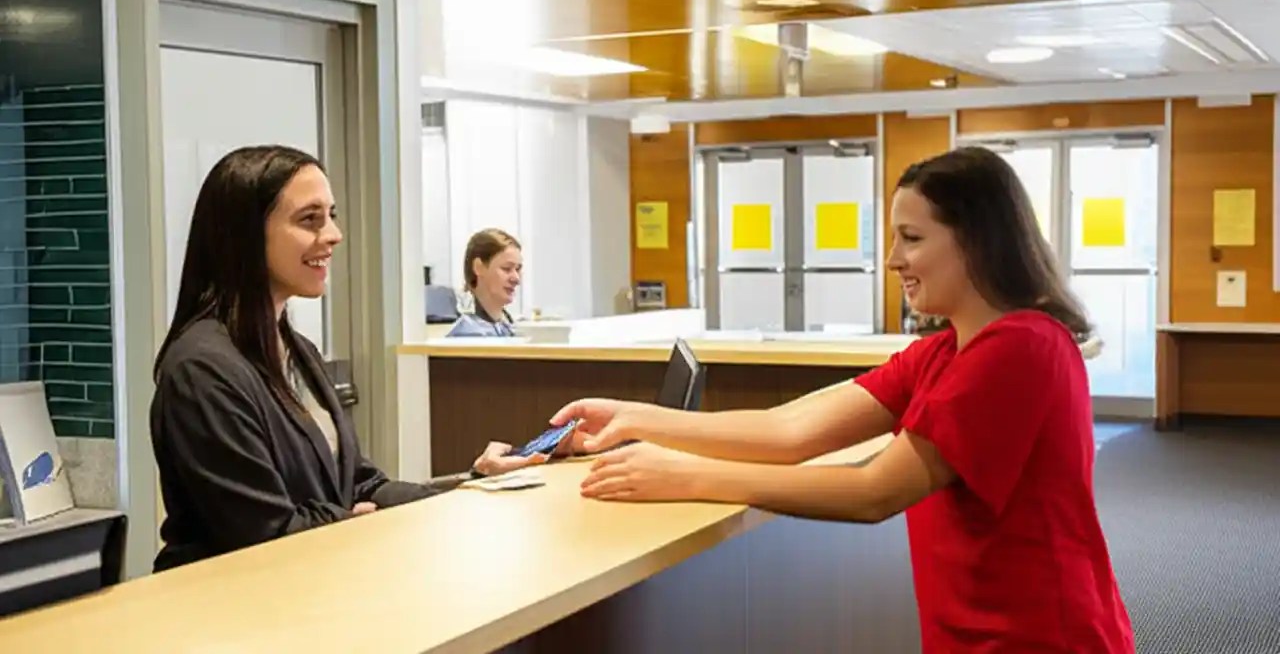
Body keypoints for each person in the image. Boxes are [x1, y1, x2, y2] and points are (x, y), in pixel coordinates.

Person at [549, 147, 1135, 652]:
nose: (892, 260)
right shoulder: (945, 351)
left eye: (912, 238)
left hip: (1043, 637)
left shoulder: (1021, 348)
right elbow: (789, 431)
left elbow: (874, 491)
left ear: (976, 243)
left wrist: (689, 475)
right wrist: (637, 418)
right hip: (974, 633)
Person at [150, 145, 551, 572]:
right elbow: (261, 534)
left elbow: (360, 484)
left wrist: (470, 490)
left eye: (331, 215)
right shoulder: (203, 370)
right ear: (246, 235)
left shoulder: (297, 350)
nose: (334, 235)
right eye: (310, 219)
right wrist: (351, 523)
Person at [446, 228, 522, 337]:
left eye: (518, 269)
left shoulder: (510, 327)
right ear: (478, 267)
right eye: (506, 268)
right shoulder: (465, 336)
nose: (516, 278)